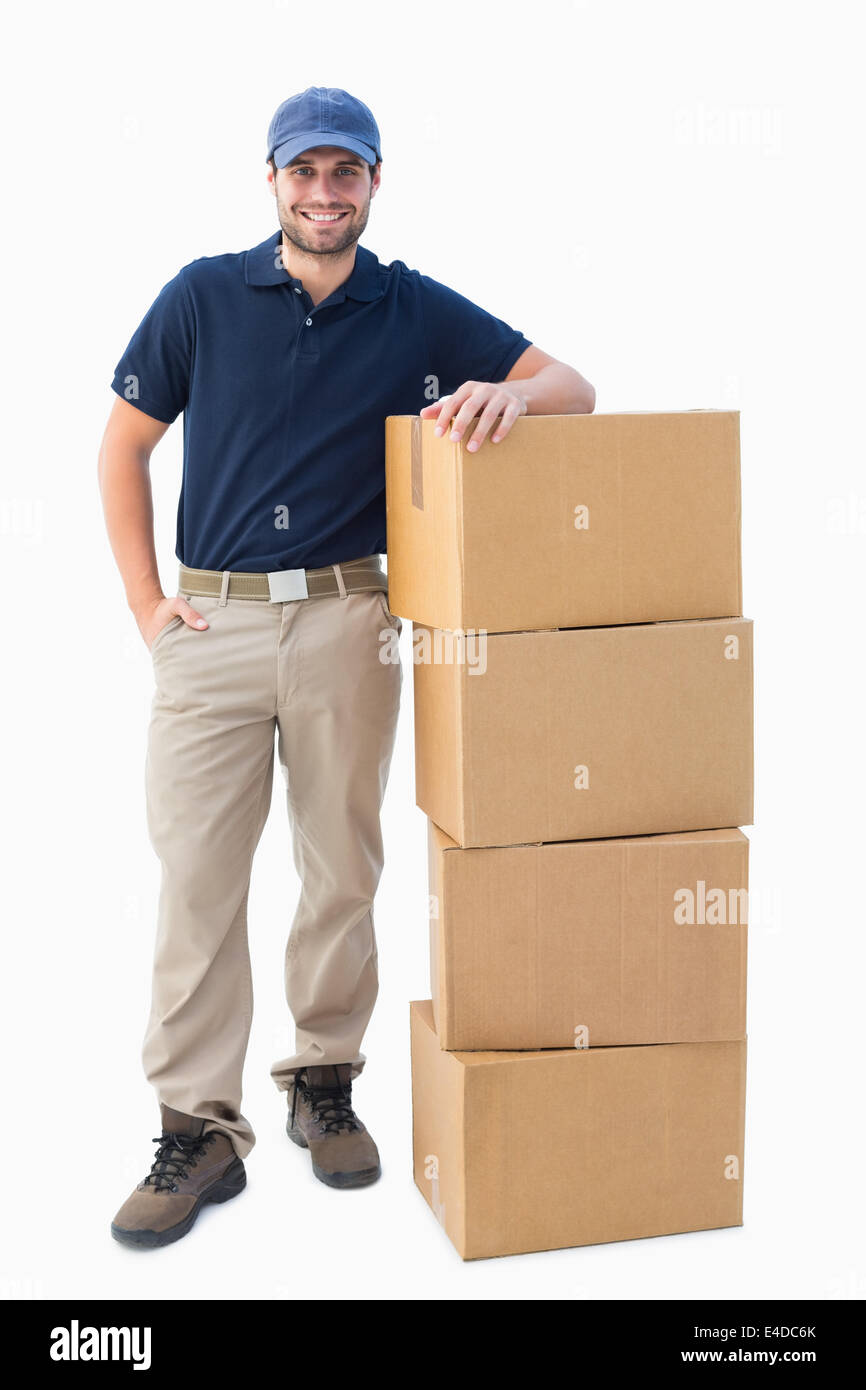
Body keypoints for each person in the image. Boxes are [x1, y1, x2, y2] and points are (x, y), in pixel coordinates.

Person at [98, 84, 596, 1249]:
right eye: (304, 173)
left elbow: (572, 386)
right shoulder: (202, 296)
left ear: (374, 183)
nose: (324, 194)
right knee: (197, 879)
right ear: (270, 181)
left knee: (340, 860)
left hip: (346, 620)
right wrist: (145, 609)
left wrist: (502, 392)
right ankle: (197, 1126)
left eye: (346, 174)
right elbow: (123, 443)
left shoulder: (409, 307)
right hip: (209, 629)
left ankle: (322, 1080)